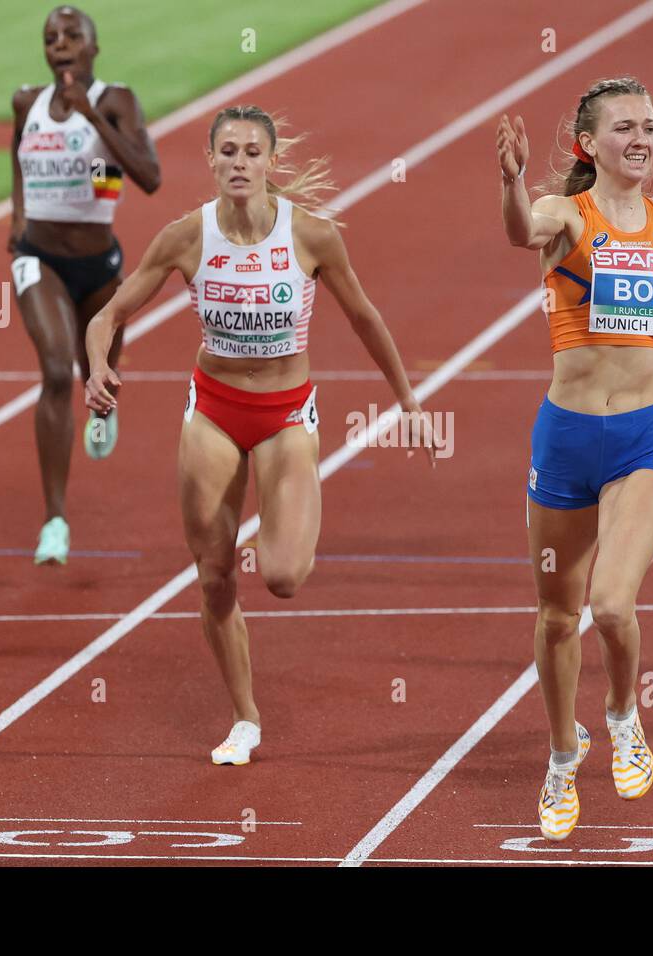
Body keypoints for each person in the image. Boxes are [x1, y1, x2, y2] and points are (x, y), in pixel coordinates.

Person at [85, 106, 433, 764]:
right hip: (213, 411)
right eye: (228, 152)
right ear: (211, 162)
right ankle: (244, 718)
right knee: (214, 577)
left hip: (284, 415)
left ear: (272, 162)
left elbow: (364, 316)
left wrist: (407, 399)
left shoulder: (313, 237)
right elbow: (108, 315)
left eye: (252, 152)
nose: (240, 162)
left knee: (281, 576)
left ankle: (291, 516)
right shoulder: (187, 237)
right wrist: (98, 367)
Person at [497, 76, 653, 840]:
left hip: (647, 439)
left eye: (648, 125)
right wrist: (511, 180)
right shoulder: (561, 217)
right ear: (589, 144)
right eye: (623, 128)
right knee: (554, 616)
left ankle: (622, 714)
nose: (640, 139)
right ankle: (560, 754)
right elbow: (519, 231)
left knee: (610, 605)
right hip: (566, 441)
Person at [9, 5, 161, 565]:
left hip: (100, 268)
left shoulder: (115, 102)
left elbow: (148, 177)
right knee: (54, 372)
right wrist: (18, 215)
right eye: (52, 38)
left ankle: (103, 408)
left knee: (96, 374)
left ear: (94, 47)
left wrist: (92, 120)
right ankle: (54, 521)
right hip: (38, 260)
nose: (61, 44)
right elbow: (17, 152)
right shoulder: (27, 102)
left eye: (73, 36)